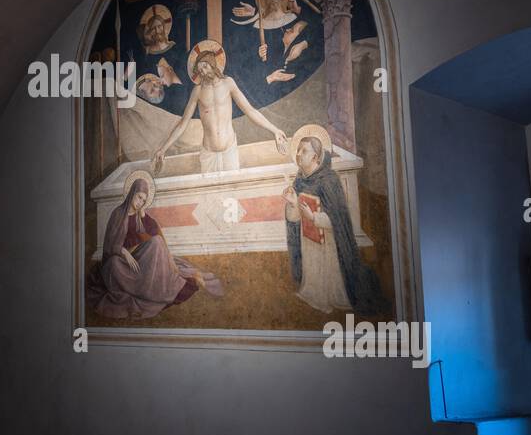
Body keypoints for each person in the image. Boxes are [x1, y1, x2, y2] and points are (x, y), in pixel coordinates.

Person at [88, 173, 223, 319]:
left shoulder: (141, 216)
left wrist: (144, 216)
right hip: (121, 260)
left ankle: (150, 286)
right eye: (139, 197)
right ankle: (139, 285)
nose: (141, 202)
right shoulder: (118, 213)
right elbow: (109, 245)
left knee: (157, 242)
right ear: (132, 192)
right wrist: (124, 253)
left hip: (137, 257)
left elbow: (154, 232)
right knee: (113, 265)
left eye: (144, 200)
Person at [283, 126, 386, 316]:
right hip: (308, 240)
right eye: (298, 150)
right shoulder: (299, 181)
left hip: (329, 243)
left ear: (316, 156)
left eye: (304, 151)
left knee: (328, 272)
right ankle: (312, 294)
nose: (299, 154)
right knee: (312, 268)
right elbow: (294, 219)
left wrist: (315, 218)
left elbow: (338, 219)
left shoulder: (329, 180)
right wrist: (292, 204)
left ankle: (333, 297)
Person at [152, 39, 287, 174]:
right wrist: (163, 149)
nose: (203, 72)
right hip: (208, 153)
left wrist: (275, 130)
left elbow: (250, 110)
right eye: (199, 70)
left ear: (212, 64)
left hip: (229, 150)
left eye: (205, 66)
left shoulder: (228, 83)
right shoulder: (197, 91)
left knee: (232, 193)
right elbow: (183, 124)